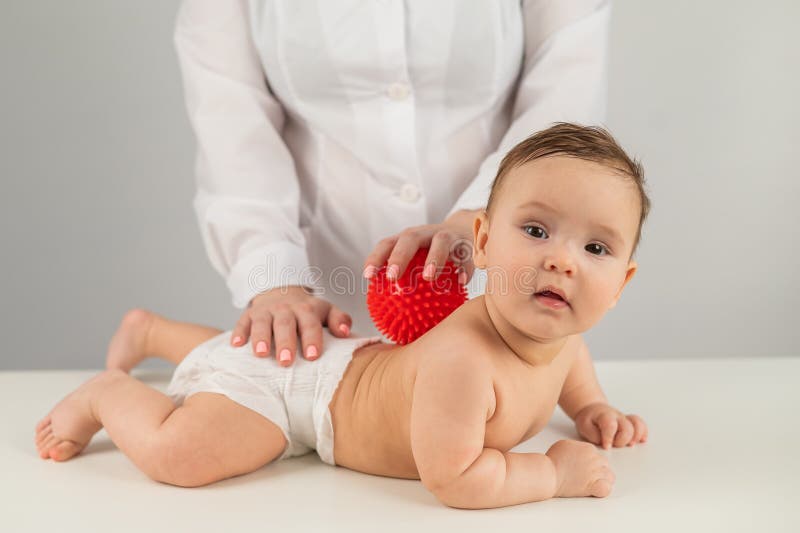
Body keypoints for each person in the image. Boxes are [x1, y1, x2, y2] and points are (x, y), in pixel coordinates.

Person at [37, 124, 649, 509]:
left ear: (620, 282)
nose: (561, 262)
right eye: (536, 230)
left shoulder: (557, 333)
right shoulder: (463, 362)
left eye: (596, 248)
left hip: (340, 361)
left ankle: (152, 331)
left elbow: (570, 360)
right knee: (186, 455)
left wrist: (589, 406)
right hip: (298, 406)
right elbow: (457, 478)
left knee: (243, 349)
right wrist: (551, 474)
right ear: (482, 241)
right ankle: (108, 394)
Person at [173, 0, 612, 366]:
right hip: (320, 310)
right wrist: (275, 282)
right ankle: (151, 333)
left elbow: (566, 90)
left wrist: (479, 216)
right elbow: (230, 123)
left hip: (493, 282)